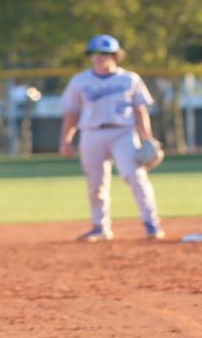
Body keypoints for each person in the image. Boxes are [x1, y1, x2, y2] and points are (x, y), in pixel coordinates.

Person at [57, 34, 165, 242]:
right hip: (91, 133)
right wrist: (66, 139)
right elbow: (71, 113)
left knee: (135, 177)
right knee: (96, 183)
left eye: (104, 53)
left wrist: (147, 138)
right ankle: (100, 226)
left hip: (123, 132)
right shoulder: (80, 81)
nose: (99, 57)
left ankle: (151, 223)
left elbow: (140, 111)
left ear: (115, 55)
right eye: (95, 53)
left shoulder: (129, 79)